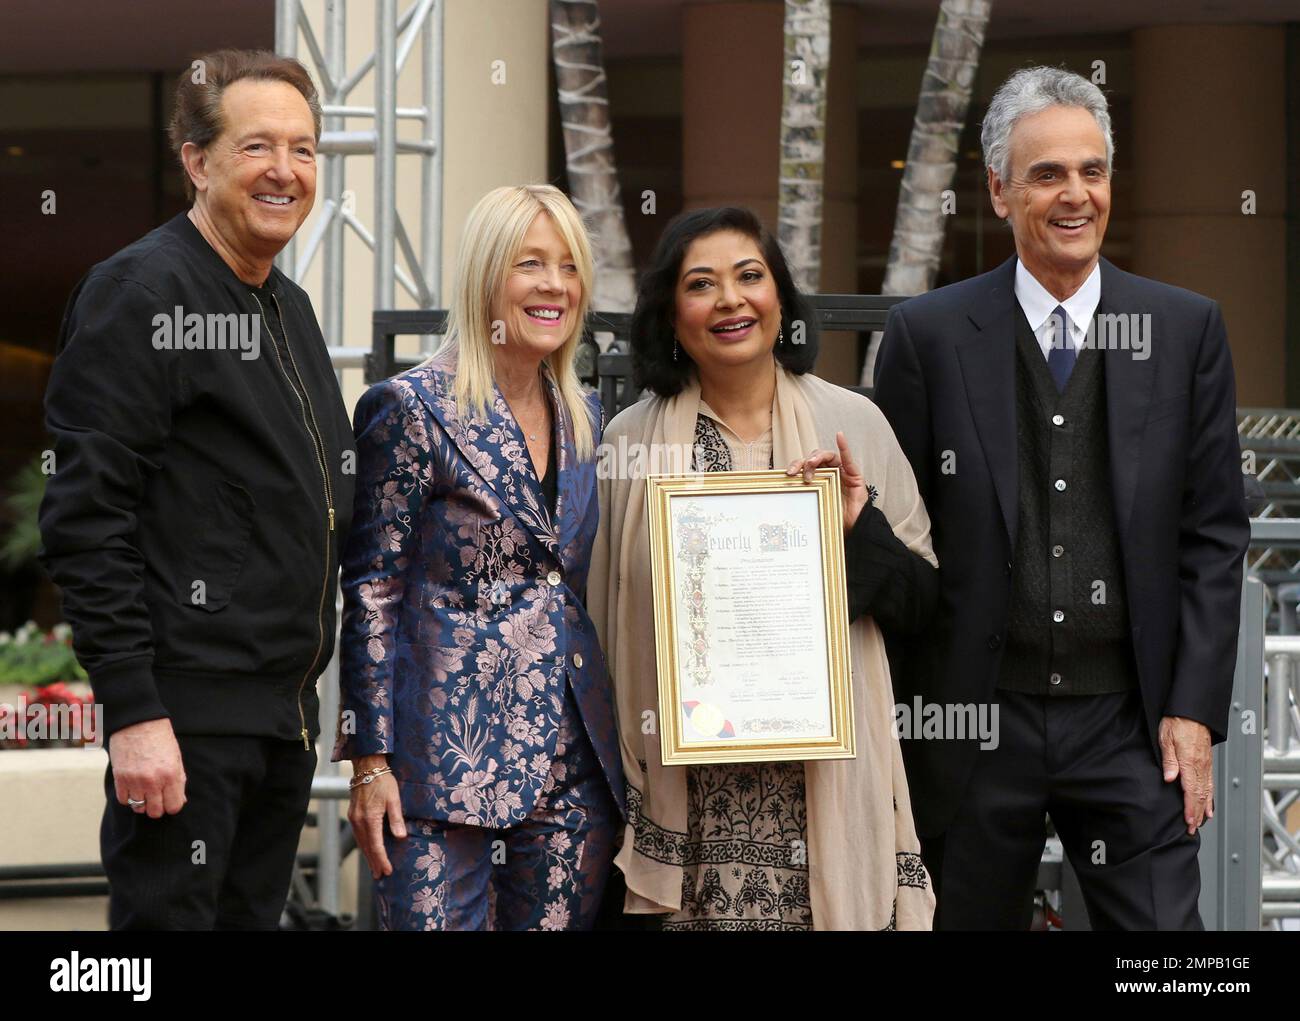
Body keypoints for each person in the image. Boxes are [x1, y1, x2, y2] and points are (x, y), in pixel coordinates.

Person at [874, 66, 1249, 930]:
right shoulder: (927, 336)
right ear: (999, 191)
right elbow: (899, 540)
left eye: (1092, 171)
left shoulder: (1184, 329)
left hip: (1132, 724)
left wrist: (1193, 710)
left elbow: (1213, 536)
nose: (1076, 194)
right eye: (1047, 174)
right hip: (971, 723)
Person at [39, 49, 354, 929]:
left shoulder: (288, 308)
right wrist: (135, 712)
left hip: (278, 726)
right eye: (257, 146)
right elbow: (85, 517)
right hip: (184, 729)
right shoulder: (140, 292)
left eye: (303, 149)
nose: (285, 170)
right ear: (196, 160)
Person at [589, 206, 938, 930]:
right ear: (671, 314)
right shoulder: (628, 443)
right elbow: (604, 621)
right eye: (701, 284)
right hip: (688, 799)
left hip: (827, 794)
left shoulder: (854, 425)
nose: (730, 300)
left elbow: (922, 602)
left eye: (750, 276)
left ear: (781, 298)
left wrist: (858, 526)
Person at [335, 184, 623, 931]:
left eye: (569, 265)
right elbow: (371, 589)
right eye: (531, 263)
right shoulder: (410, 406)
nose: (554, 284)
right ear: (486, 275)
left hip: (571, 763)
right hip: (439, 763)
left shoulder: (587, 416)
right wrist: (369, 760)